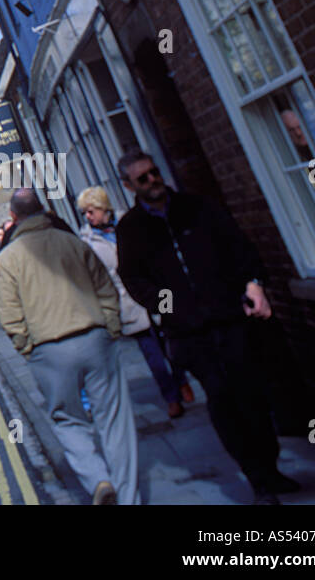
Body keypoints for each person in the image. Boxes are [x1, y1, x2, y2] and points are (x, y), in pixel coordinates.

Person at [114, 150, 295, 504]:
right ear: (128, 186)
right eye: (142, 179)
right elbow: (133, 278)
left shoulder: (199, 207)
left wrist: (253, 283)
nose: (153, 182)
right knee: (223, 400)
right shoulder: (131, 228)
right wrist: (168, 307)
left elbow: (238, 247)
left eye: (154, 173)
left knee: (253, 395)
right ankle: (256, 477)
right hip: (189, 333)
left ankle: (271, 468)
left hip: (229, 319)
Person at [0, 187, 139, 505]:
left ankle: (98, 479)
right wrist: (111, 327)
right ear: (44, 210)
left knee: (68, 421)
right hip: (94, 337)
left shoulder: (7, 260)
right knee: (114, 420)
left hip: (49, 350)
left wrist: (27, 349)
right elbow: (105, 288)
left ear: (14, 218)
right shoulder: (73, 243)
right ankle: (129, 499)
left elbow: (9, 314)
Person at [76, 185, 194, 418]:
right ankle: (171, 397)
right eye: (84, 213)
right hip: (127, 300)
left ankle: (182, 381)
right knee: (153, 356)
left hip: (158, 291)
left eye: (90, 211)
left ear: (102, 208)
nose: (88, 217)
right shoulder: (87, 241)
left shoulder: (129, 223)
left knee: (173, 342)